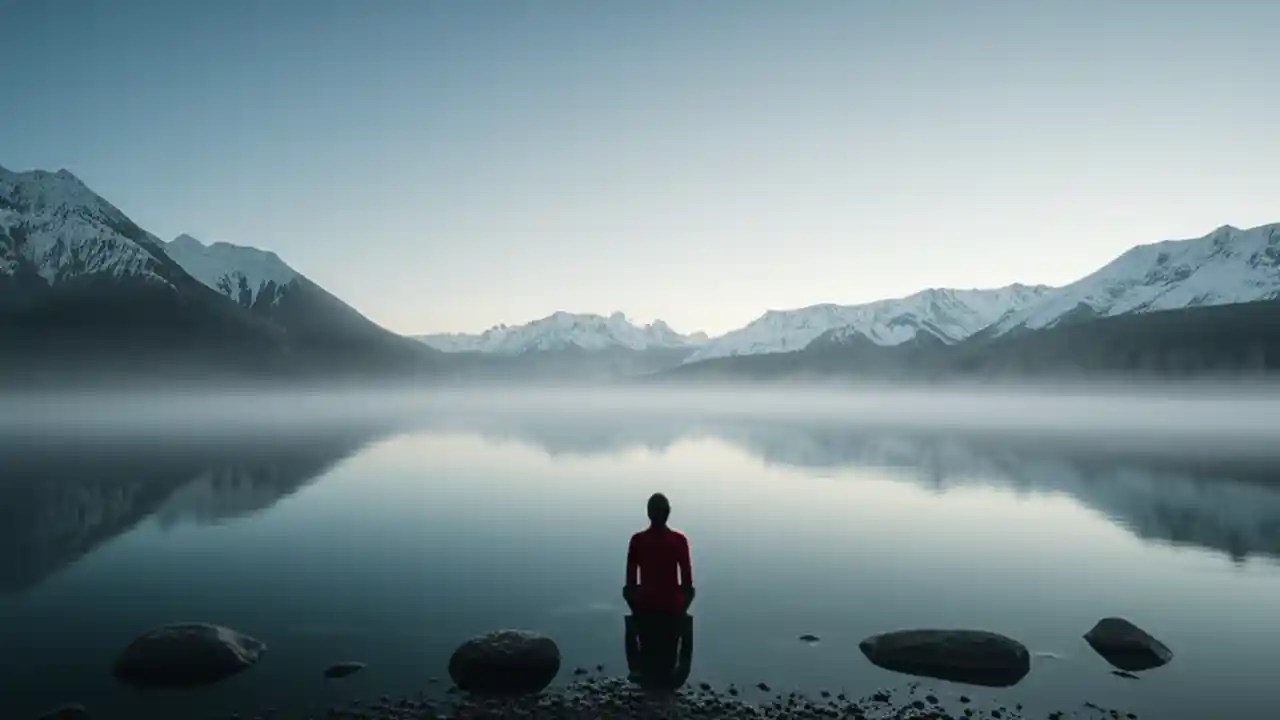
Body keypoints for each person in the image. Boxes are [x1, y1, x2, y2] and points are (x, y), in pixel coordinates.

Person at [623, 493, 694, 615]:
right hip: (672, 607)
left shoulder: (637, 541)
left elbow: (630, 584)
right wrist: (681, 610)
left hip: (645, 606)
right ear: (668, 512)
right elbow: (687, 583)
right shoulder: (679, 541)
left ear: (649, 513)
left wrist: (637, 611)